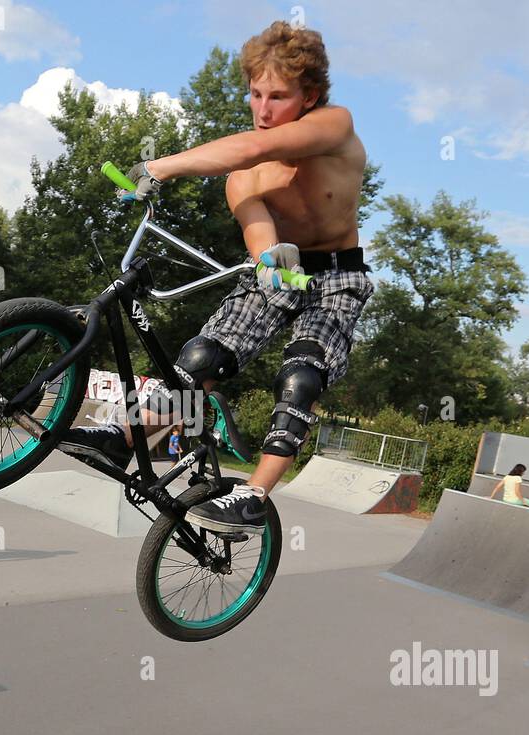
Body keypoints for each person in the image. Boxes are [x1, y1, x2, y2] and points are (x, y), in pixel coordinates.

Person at [57, 22, 373, 536]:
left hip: (338, 277)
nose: (264, 109)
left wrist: (159, 167)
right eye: (255, 94)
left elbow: (249, 146)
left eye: (278, 97)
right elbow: (260, 234)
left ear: (308, 96)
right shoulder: (244, 179)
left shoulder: (334, 126)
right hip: (281, 271)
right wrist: (271, 262)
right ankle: (127, 437)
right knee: (201, 358)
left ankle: (254, 494)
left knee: (302, 375)